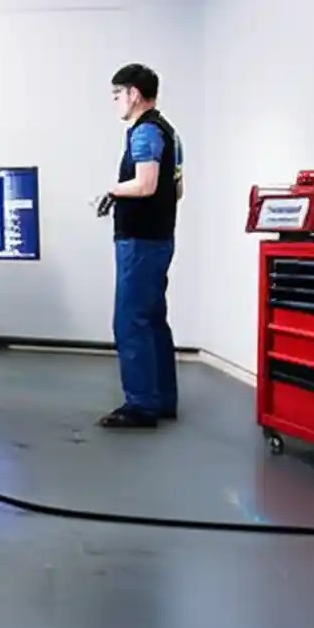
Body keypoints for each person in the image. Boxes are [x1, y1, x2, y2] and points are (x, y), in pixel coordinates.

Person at [95, 63, 183, 428]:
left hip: (140, 242)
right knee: (153, 319)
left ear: (133, 93)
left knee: (130, 321)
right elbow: (176, 189)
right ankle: (162, 398)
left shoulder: (144, 132)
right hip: (160, 238)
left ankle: (141, 406)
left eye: (117, 94)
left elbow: (146, 185)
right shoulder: (170, 133)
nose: (115, 102)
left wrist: (113, 190)